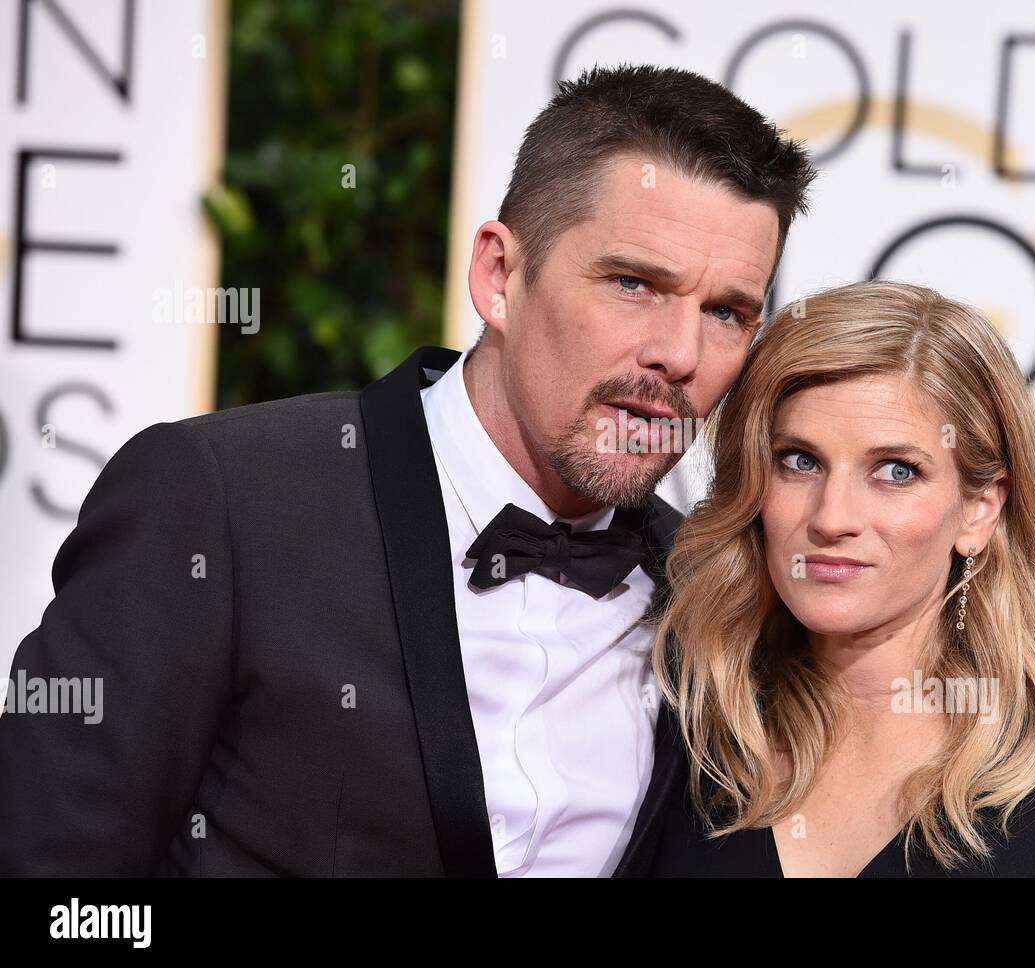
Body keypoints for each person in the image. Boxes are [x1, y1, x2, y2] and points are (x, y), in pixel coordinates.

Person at [0, 64, 816, 877]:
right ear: (499, 276)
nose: (679, 355)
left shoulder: (714, 596)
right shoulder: (224, 500)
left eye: (725, 313)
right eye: (633, 283)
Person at [649, 280, 1035, 877]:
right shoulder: (689, 725)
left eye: (895, 471)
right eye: (800, 461)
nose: (833, 518)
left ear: (978, 510)